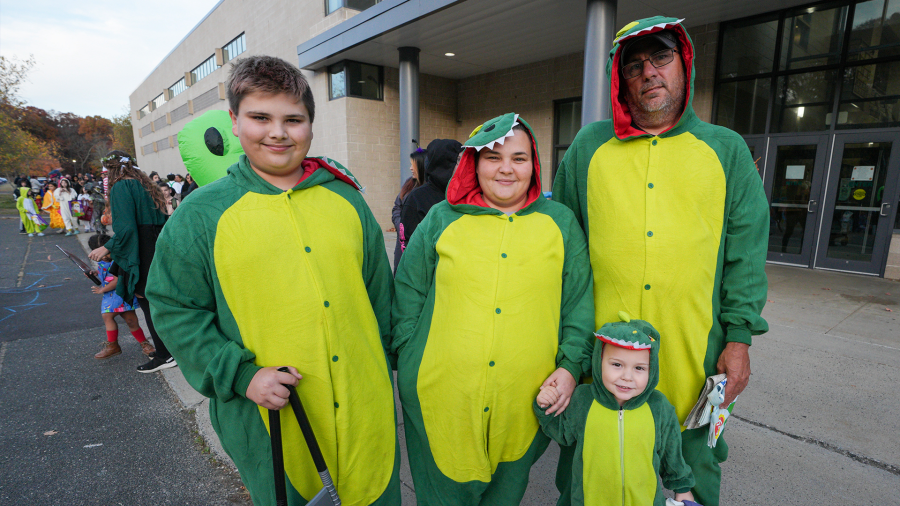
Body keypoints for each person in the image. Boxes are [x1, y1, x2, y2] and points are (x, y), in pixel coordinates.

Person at [144, 55, 400, 506]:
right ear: (234, 121)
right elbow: (174, 307)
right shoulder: (200, 215)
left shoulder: (347, 199)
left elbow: (380, 298)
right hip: (271, 421)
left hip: (366, 409)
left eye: (293, 120)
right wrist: (242, 375)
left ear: (310, 125)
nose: (278, 132)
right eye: (260, 117)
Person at [551, 16, 769, 506]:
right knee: (589, 468)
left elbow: (747, 256)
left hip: (694, 353)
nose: (649, 71)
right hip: (603, 358)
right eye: (634, 66)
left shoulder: (726, 150)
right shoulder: (588, 148)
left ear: (683, 63)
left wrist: (738, 339)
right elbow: (561, 247)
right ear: (621, 81)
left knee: (693, 468)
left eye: (661, 57)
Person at [392, 113, 594, 505]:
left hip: (523, 398)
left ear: (534, 164)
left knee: (505, 493)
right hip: (440, 394)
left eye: (519, 158)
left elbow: (579, 304)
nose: (506, 168)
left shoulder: (561, 223)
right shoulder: (440, 218)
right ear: (473, 162)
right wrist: (410, 359)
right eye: (493, 157)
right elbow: (408, 292)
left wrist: (571, 367)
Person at [535, 315, 695, 506]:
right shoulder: (583, 400)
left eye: (639, 368)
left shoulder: (658, 406)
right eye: (617, 365)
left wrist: (683, 489)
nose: (627, 376)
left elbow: (672, 453)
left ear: (651, 370)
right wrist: (546, 404)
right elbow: (561, 432)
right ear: (599, 361)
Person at [87, 151, 175, 374]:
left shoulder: (121, 187)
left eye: (106, 171)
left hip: (141, 249)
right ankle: (170, 350)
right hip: (156, 245)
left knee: (148, 304)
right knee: (159, 303)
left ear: (112, 169)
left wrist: (106, 247)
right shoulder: (146, 184)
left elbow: (126, 228)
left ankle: (164, 355)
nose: (105, 176)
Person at [88, 234, 156, 360]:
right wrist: (95, 273)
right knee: (120, 318)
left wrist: (102, 289)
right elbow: (105, 271)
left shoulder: (118, 260)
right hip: (110, 296)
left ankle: (139, 344)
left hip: (121, 293)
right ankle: (120, 345)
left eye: (107, 253)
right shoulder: (103, 261)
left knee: (125, 319)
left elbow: (117, 280)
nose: (105, 257)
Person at [397, 138, 461, 252]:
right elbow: (409, 246)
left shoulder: (466, 194)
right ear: (444, 164)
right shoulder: (417, 198)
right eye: (458, 160)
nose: (464, 165)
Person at [391, 148, 425, 270]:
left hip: (417, 246)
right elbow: (397, 207)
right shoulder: (409, 184)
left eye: (413, 165)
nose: (410, 168)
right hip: (401, 244)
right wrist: (401, 224)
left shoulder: (429, 190)